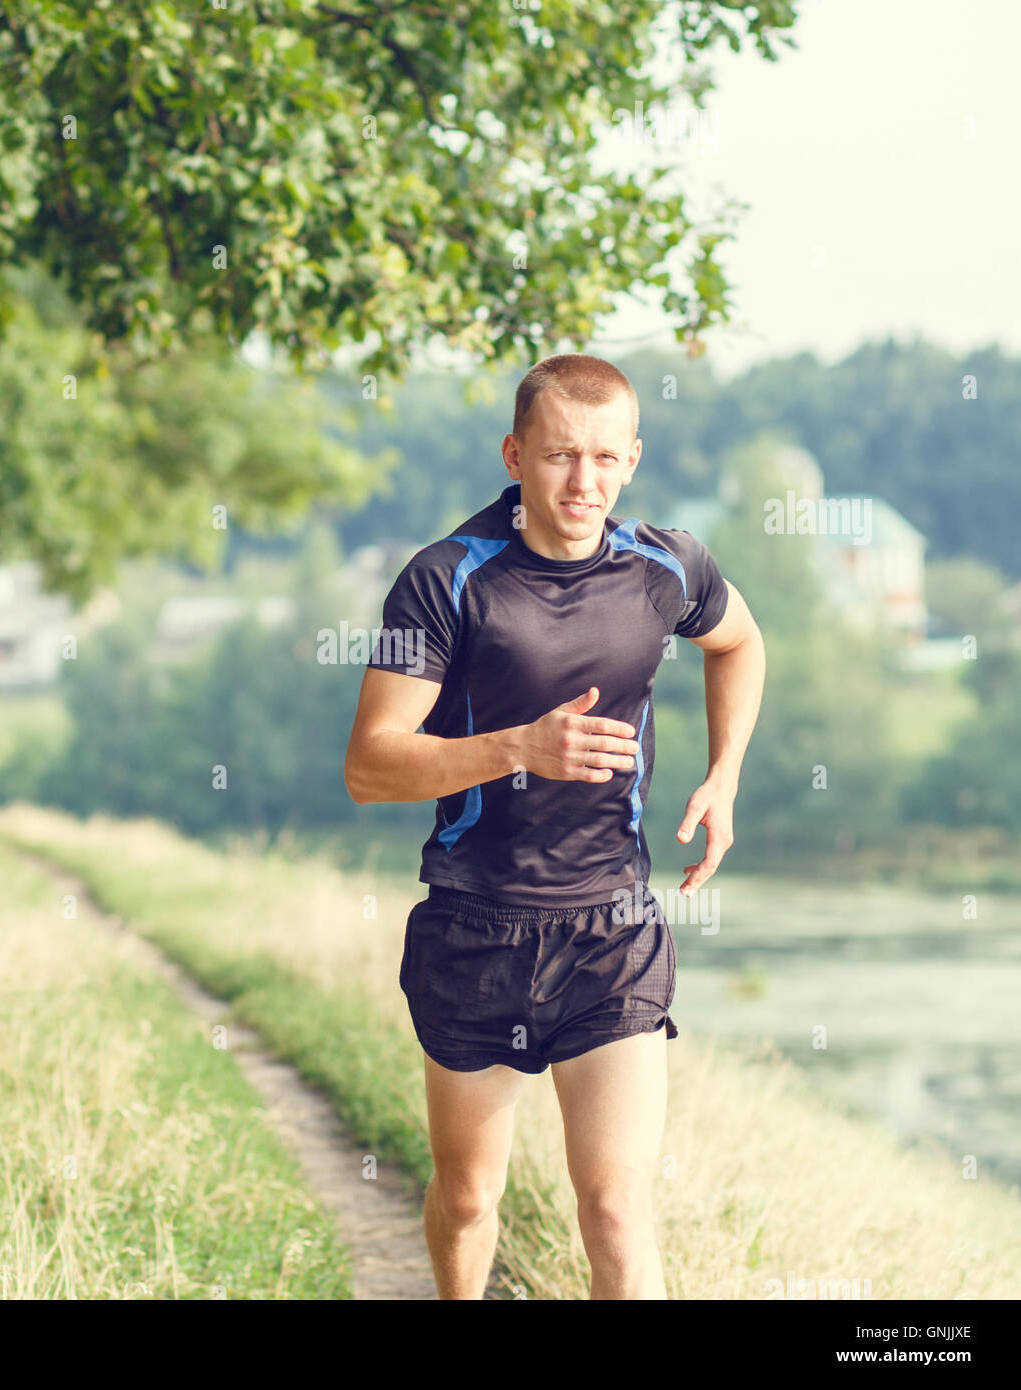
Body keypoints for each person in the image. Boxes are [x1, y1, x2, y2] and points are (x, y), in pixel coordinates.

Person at [343, 353, 766, 1300]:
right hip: (475, 925)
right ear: (514, 455)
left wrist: (726, 775)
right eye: (560, 456)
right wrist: (517, 748)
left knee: (616, 1205)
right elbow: (371, 765)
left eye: (606, 458)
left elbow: (741, 640)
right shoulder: (443, 580)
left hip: (610, 927)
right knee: (465, 1198)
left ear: (633, 461)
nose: (585, 482)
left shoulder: (667, 565)